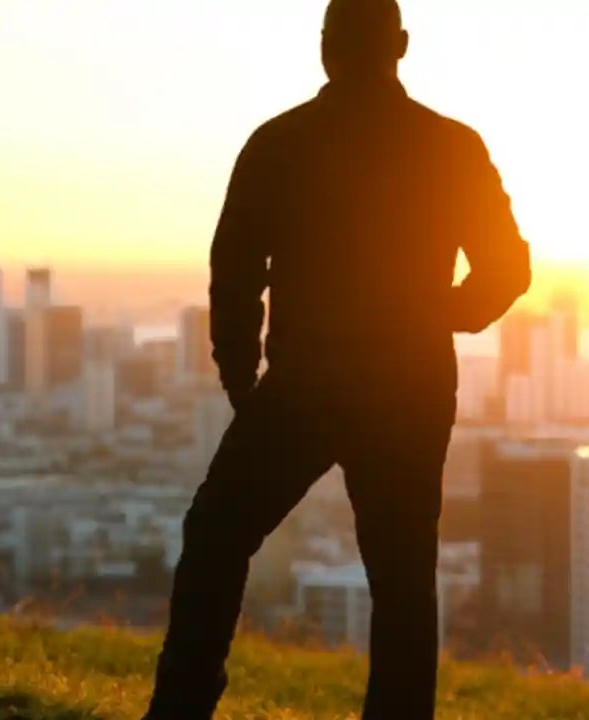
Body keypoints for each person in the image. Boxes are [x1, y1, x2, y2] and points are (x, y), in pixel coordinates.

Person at [143, 0, 530, 717]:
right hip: (411, 386)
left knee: (217, 534)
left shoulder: (280, 142)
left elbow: (233, 273)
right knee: (403, 577)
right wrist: (434, 316)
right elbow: (507, 271)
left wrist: (241, 381)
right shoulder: (452, 147)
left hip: (305, 383)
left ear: (324, 50)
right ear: (402, 46)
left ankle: (180, 707)